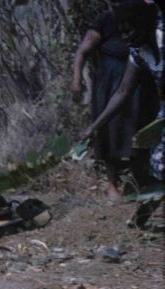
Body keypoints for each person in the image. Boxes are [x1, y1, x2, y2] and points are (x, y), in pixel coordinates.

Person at [71, 0, 159, 200]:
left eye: (129, 31)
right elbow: (122, 92)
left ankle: (143, 180)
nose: (125, 36)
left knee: (144, 133)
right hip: (111, 83)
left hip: (148, 91)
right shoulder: (134, 50)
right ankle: (115, 183)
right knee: (110, 132)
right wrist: (94, 126)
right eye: (122, 32)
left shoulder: (157, 39)